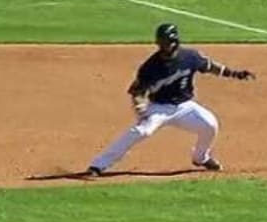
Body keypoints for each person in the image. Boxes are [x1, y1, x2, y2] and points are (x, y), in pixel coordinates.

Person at [85, 23, 256, 176]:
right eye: (161, 44)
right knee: (141, 132)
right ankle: (98, 165)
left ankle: (201, 158)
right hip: (159, 108)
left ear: (175, 42)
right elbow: (137, 91)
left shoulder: (190, 57)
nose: (163, 47)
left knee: (210, 125)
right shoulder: (151, 66)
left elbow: (211, 66)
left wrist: (235, 73)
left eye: (166, 43)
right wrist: (140, 106)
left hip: (185, 107)